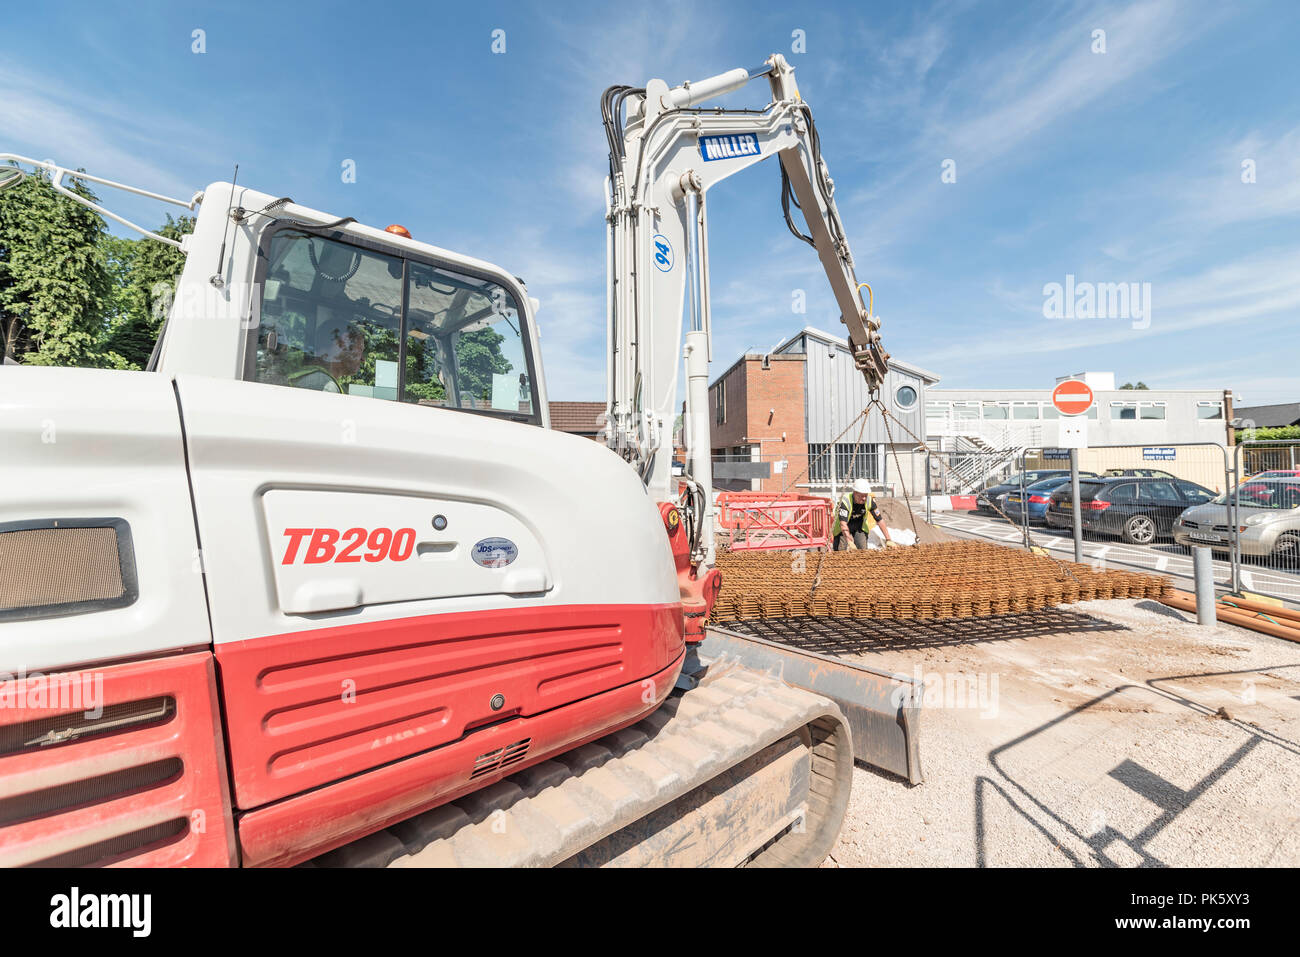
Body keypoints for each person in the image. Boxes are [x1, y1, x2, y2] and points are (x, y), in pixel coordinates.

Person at [832, 478, 894, 550]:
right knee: (840, 551)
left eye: (866, 495)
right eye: (861, 496)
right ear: (855, 493)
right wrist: (849, 542)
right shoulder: (845, 502)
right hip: (842, 527)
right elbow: (843, 524)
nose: (864, 498)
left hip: (859, 526)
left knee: (862, 549)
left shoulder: (869, 501)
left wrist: (888, 539)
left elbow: (879, 520)